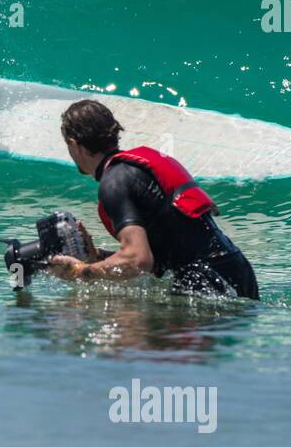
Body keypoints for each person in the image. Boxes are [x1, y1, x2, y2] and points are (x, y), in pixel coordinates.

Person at [46, 100, 260, 299]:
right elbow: (158, 262)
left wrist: (78, 271)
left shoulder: (113, 181)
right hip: (236, 270)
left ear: (74, 144)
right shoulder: (138, 168)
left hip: (204, 282)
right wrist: (97, 256)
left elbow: (137, 260)